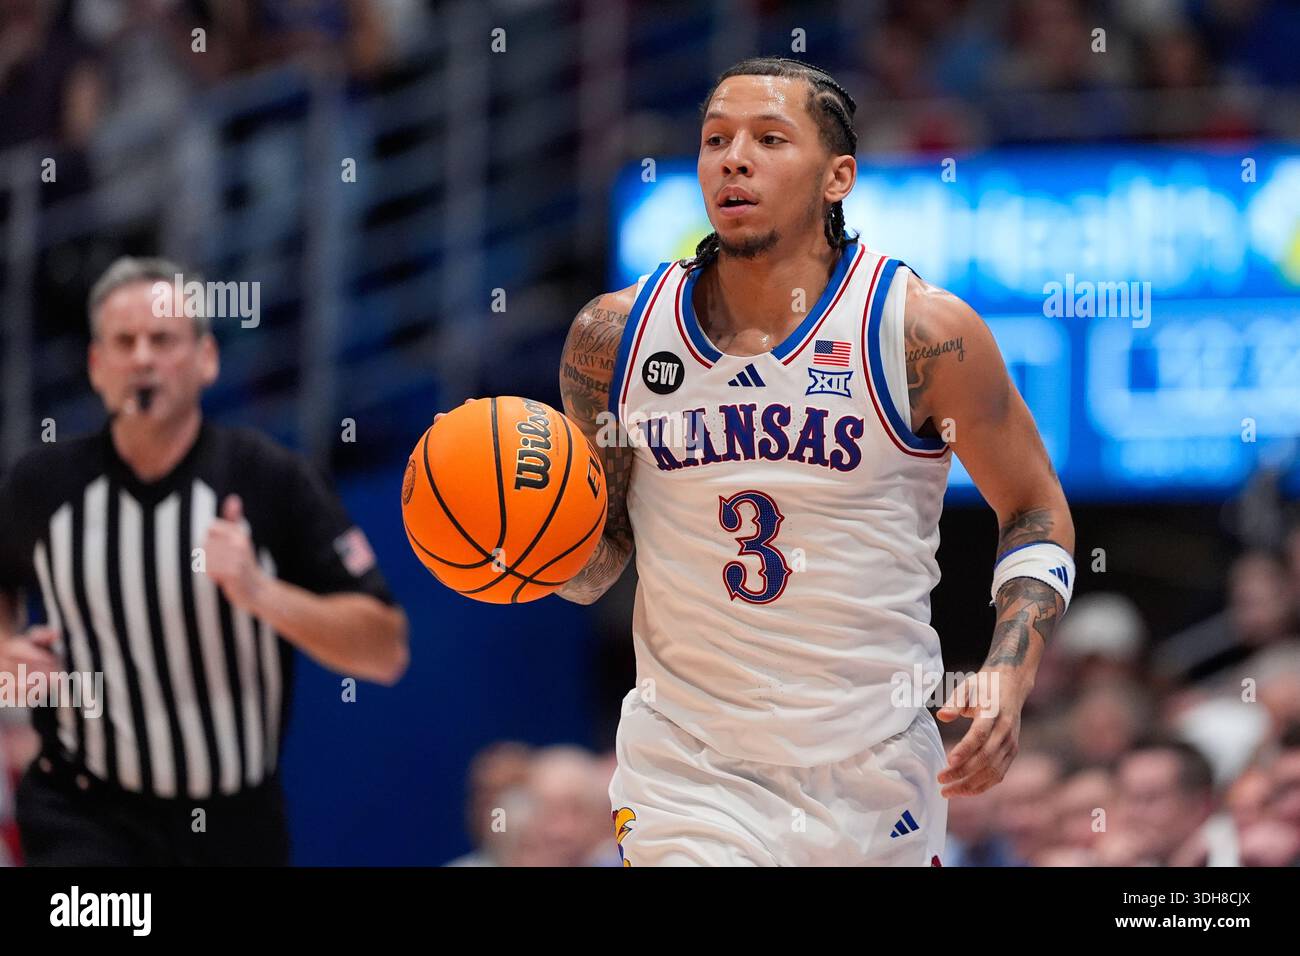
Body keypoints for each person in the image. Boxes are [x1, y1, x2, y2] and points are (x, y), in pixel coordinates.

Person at [555, 57, 1074, 866]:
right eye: (715, 139)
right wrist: (523, 547)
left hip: (875, 770)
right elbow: (595, 567)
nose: (734, 158)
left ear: (838, 177)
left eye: (769, 139)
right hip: (691, 768)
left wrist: (1010, 674)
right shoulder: (615, 337)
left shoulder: (921, 332)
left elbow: (1035, 508)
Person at [0, 256, 409, 865]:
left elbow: (385, 650)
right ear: (96, 367)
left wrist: (260, 592)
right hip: (81, 812)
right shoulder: (42, 483)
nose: (142, 358)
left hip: (234, 824)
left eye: (162, 339)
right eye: (124, 341)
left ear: (206, 359)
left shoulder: (272, 479)